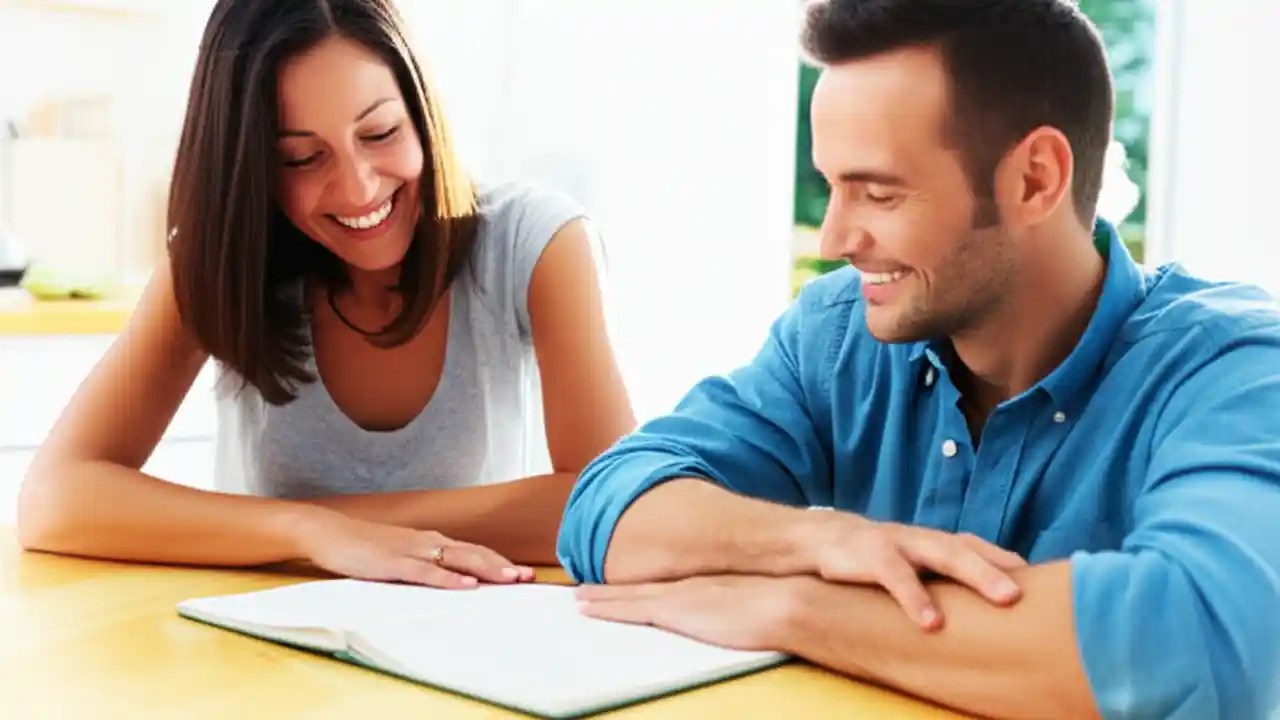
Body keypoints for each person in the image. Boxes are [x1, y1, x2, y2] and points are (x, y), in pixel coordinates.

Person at [557, 1, 1280, 718]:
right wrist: (822, 539)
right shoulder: (837, 332)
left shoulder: (1232, 367)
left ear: (1034, 179)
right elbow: (608, 506)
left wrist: (803, 609)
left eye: (878, 193)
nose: (835, 237)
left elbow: (1207, 638)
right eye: (830, 187)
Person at [17, 0, 635, 591]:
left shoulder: (538, 244)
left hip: (462, 630)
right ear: (252, 166)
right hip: (266, 647)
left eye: (381, 132)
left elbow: (613, 502)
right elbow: (53, 500)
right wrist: (310, 531)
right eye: (302, 157)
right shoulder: (219, 263)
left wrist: (358, 531)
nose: (359, 187)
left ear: (421, 113)